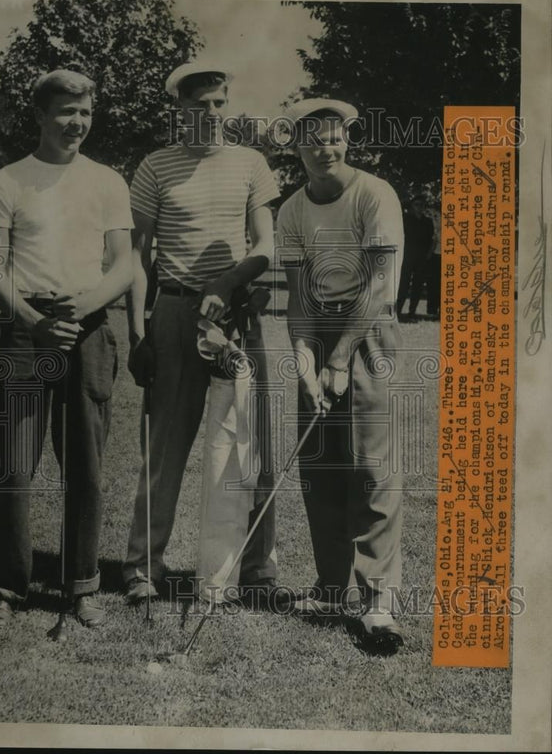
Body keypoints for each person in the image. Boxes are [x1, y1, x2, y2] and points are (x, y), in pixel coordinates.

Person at [123, 60, 283, 608]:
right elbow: (137, 257)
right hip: (172, 314)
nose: (212, 114)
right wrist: (139, 331)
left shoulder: (252, 163)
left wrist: (227, 280)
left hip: (236, 316)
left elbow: (266, 246)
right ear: (180, 109)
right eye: (200, 105)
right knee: (165, 446)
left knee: (249, 444)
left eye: (219, 103)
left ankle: (257, 569)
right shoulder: (155, 166)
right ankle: (144, 565)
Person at [0, 69, 134, 630]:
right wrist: (36, 320)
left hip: (87, 328)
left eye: (86, 112)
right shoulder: (7, 181)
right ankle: (6, 587)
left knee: (86, 469)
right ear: (40, 116)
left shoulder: (109, 182)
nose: (77, 123)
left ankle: (80, 587)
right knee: (14, 468)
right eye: (67, 112)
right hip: (24, 333)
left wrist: (84, 305)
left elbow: (125, 266)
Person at [277, 99, 405, 654]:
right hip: (320, 332)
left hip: (369, 331)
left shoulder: (374, 195)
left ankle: (378, 602)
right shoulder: (291, 211)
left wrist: (339, 359)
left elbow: (378, 290)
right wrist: (307, 363)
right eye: (312, 140)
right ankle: (331, 590)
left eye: (334, 138)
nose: (324, 149)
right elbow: (300, 300)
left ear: (347, 140)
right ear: (296, 146)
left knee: (370, 468)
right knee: (321, 462)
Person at [396, 195, 434, 320]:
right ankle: (398, 311)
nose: (420, 207)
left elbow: (431, 240)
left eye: (422, 205)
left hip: (422, 258)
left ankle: (412, 312)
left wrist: (428, 254)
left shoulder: (428, 222)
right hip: (407, 256)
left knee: (417, 285)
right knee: (403, 284)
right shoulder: (405, 219)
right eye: (417, 205)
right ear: (412, 206)